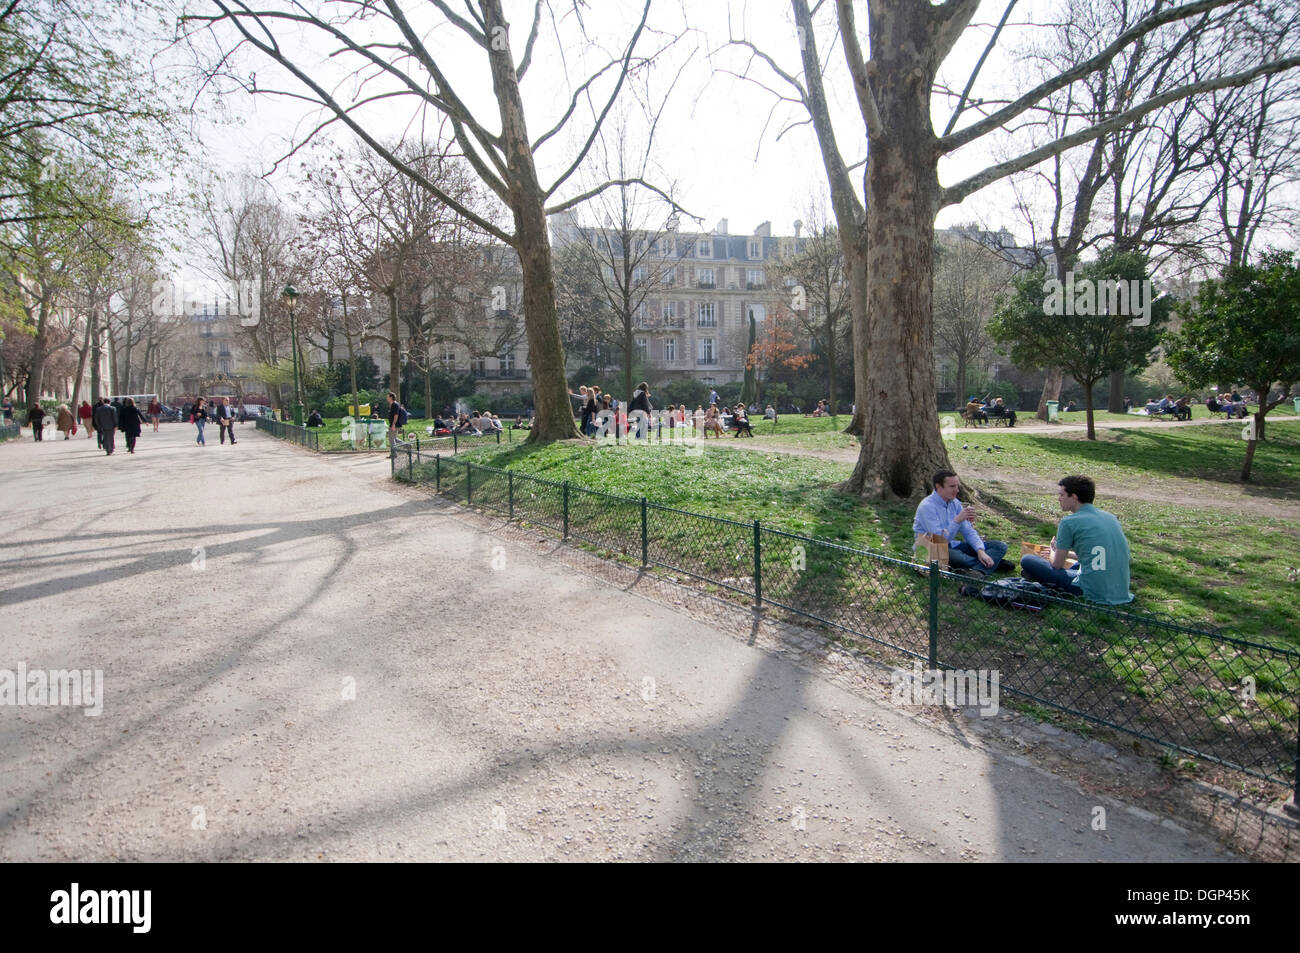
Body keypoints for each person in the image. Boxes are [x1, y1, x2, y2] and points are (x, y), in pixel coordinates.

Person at [1020, 475, 1133, 604]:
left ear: (1074, 497)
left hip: (1091, 590)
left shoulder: (1069, 522)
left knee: (1028, 560)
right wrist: (1067, 554)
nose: (1059, 499)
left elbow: (1056, 565)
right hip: (1119, 588)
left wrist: (1052, 552)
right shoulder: (1111, 518)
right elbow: (1098, 553)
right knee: (1075, 565)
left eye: (1062, 495)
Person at [912, 470, 1010, 577]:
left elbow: (968, 531)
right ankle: (990, 564)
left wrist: (980, 551)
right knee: (959, 557)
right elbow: (938, 539)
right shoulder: (927, 506)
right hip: (930, 548)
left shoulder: (955, 503)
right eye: (952, 486)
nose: (957, 490)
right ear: (939, 486)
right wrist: (957, 520)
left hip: (952, 545)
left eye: (957, 486)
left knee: (1000, 546)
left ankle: (980, 567)